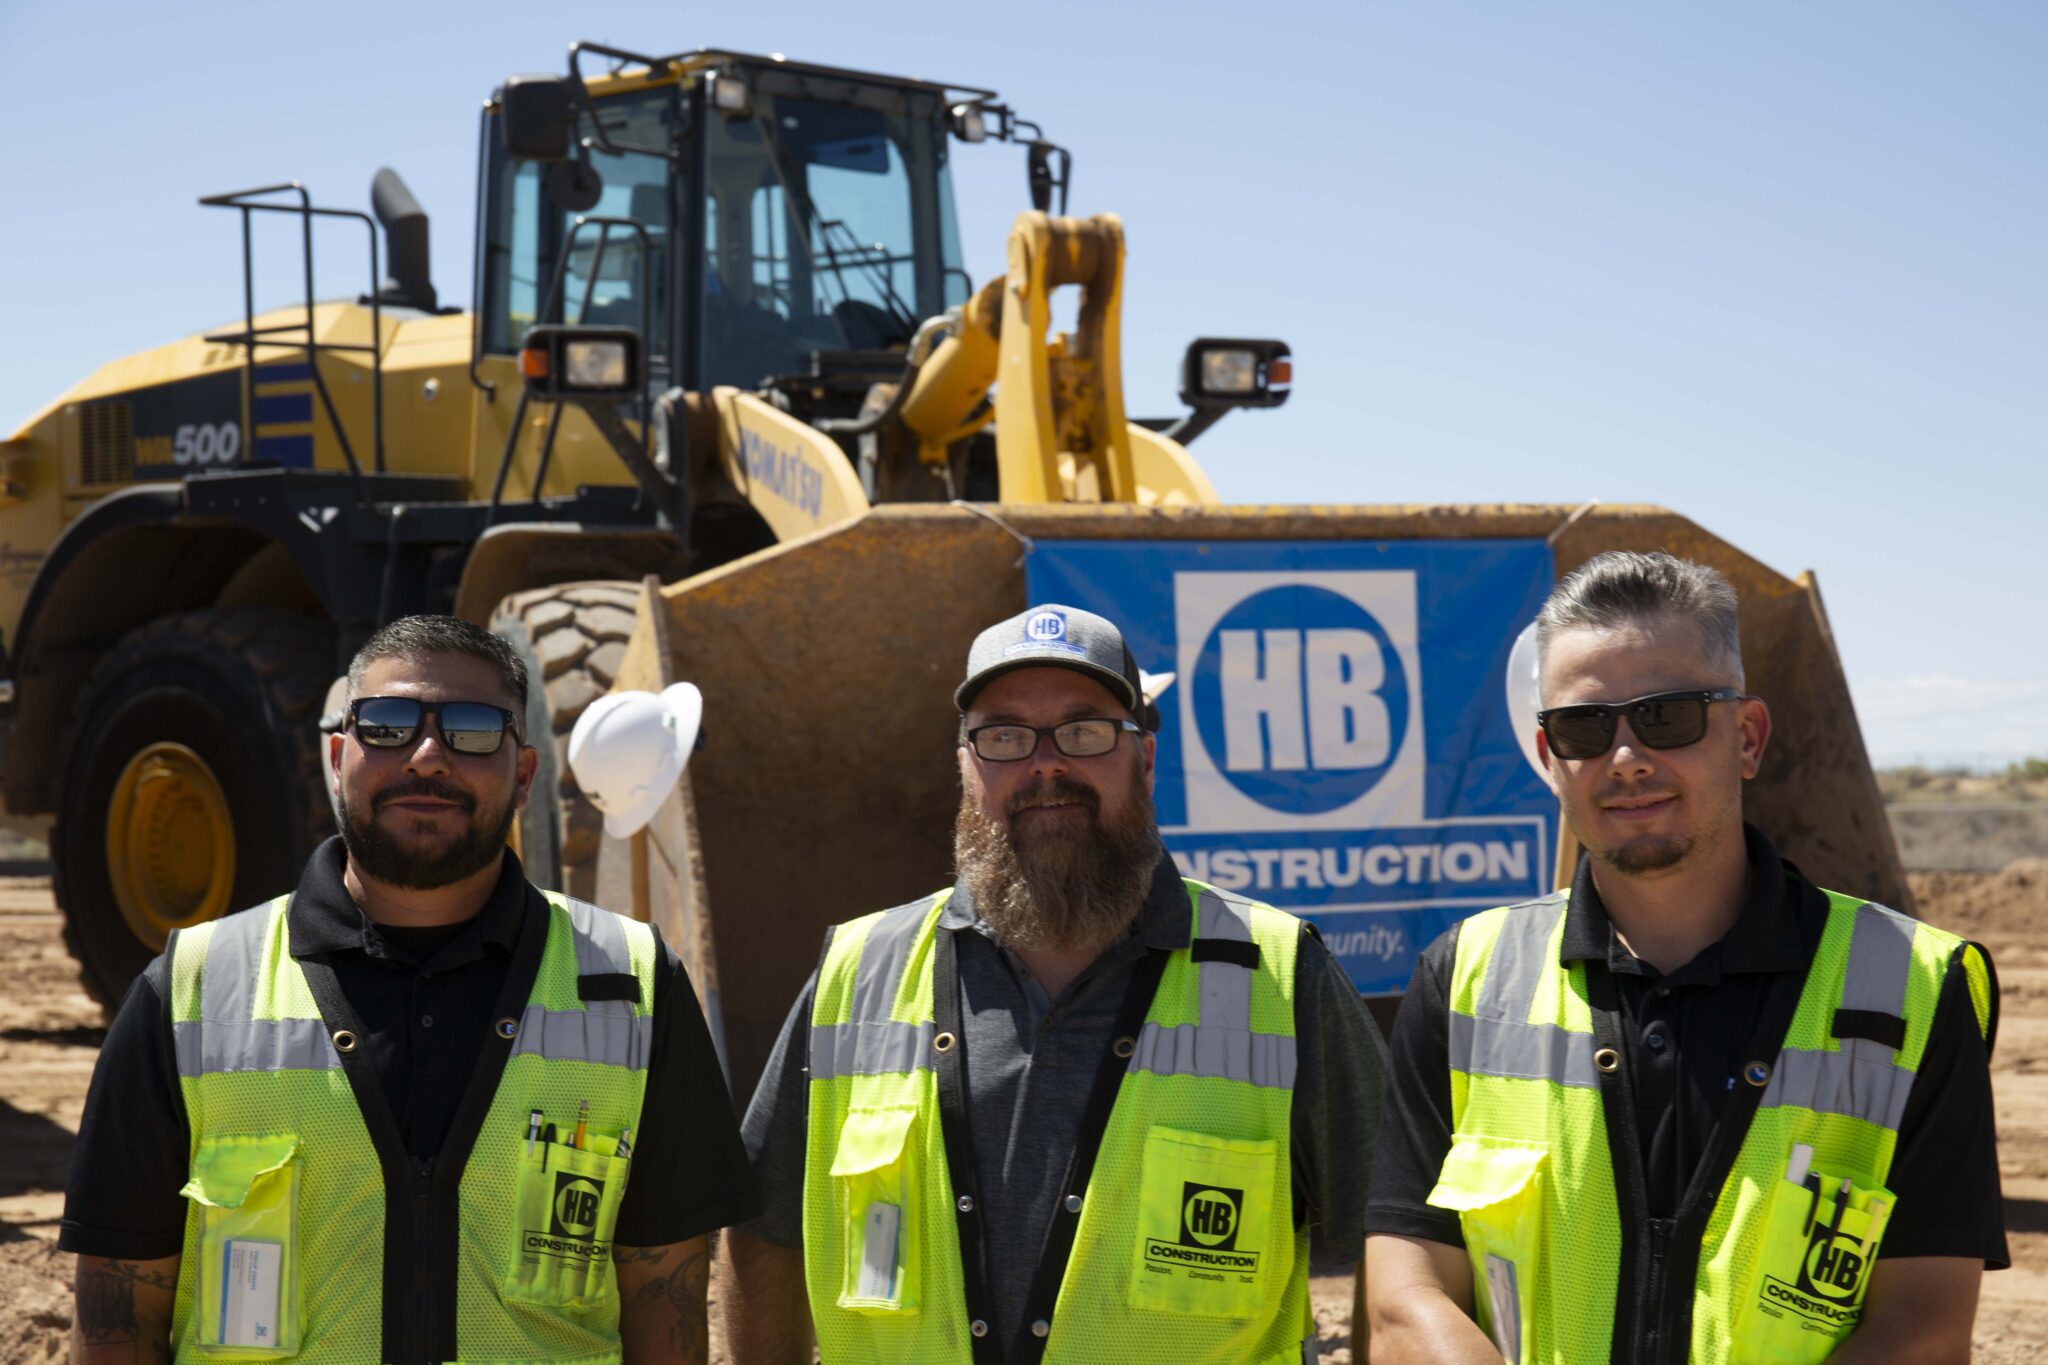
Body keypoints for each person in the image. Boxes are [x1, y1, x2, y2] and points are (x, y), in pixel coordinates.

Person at [61, 614, 758, 1364]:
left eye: (472, 729)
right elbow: (120, 1303)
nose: (427, 755)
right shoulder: (191, 990)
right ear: (337, 756)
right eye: (388, 725)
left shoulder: (633, 986)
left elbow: (668, 1301)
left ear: (523, 774)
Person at [1364, 552, 2005, 1363]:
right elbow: (1404, 1298)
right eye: (1586, 727)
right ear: (1549, 757)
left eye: (1666, 716)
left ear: (1746, 736)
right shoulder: (1464, 977)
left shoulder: (1916, 988)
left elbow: (1924, 1329)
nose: (1625, 756)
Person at [715, 603, 1387, 1363]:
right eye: (1004, 736)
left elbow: (1400, 1239)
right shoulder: (858, 969)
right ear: (965, 768)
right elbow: (765, 1229)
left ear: (1147, 758)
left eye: (1085, 729)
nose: (1046, 764)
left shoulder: (1280, 973)